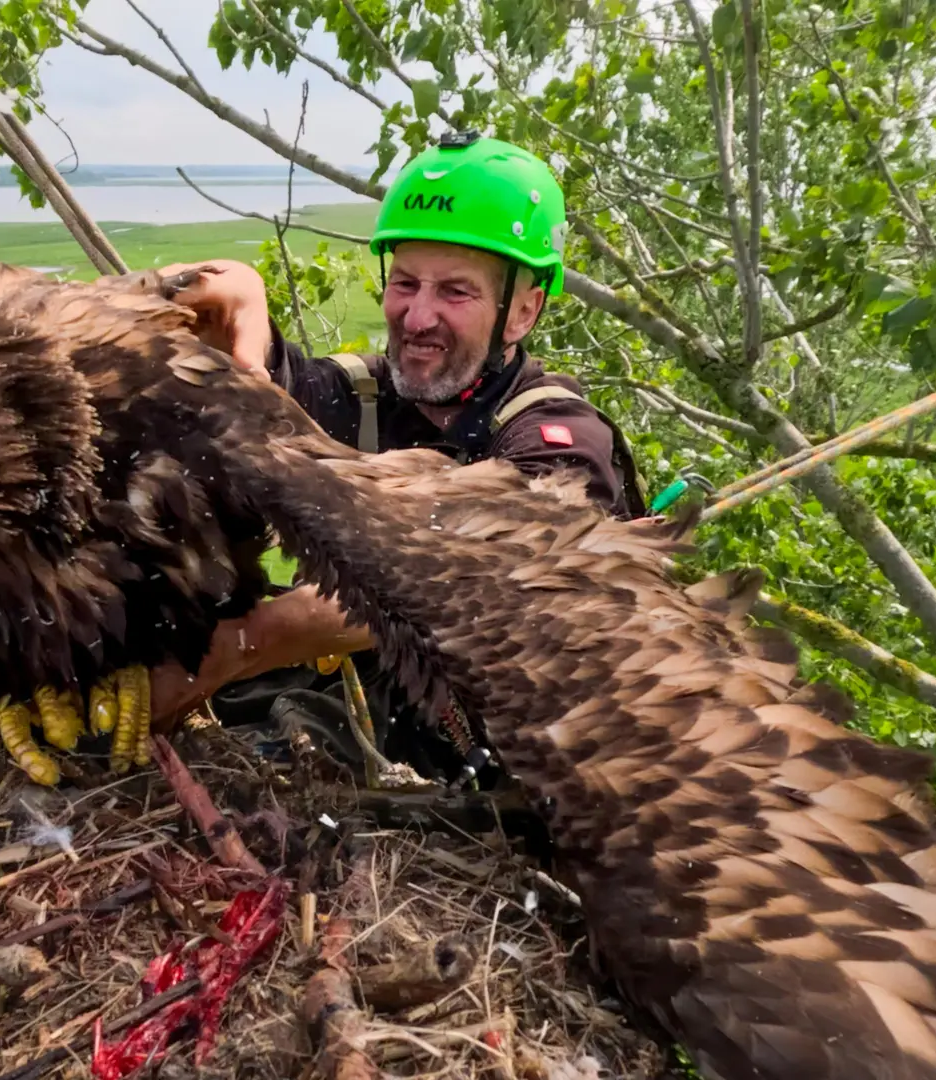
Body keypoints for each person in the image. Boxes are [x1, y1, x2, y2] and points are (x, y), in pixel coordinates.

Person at [148, 132, 648, 780]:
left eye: (455, 292)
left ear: (522, 311)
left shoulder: (557, 443)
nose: (417, 317)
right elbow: (259, 374)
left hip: (526, 760)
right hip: (398, 708)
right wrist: (226, 293)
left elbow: (475, 576)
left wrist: (242, 646)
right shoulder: (367, 397)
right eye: (406, 282)